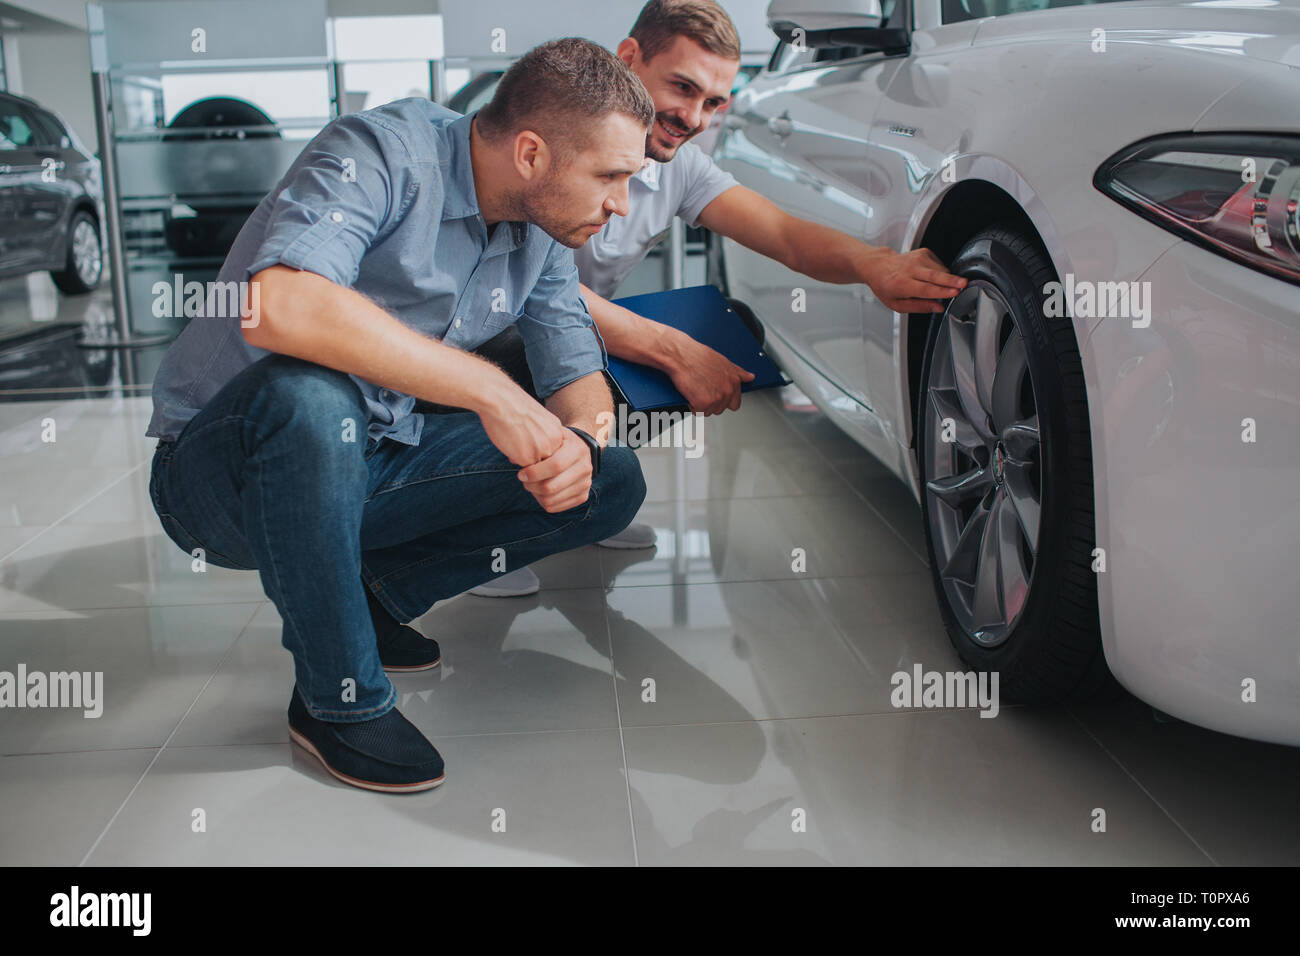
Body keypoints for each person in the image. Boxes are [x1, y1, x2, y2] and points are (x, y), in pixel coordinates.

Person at [144, 38, 655, 793]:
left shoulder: (540, 230)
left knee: (611, 480)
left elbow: (576, 370)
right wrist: (494, 393)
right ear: (531, 153)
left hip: (371, 462)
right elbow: (277, 306)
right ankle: (338, 702)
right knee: (310, 396)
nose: (620, 204)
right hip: (227, 479)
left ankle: (374, 598)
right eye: (610, 176)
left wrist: (578, 442)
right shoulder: (379, 152)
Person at [467, 0, 968, 597]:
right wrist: (670, 349)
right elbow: (529, 293)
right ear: (629, 59)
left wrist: (878, 266)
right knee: (531, 344)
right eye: (682, 87)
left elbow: (783, 235)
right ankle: (483, 540)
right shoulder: (555, 141)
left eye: (712, 102)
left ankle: (583, 495)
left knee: (732, 331)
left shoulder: (679, 167)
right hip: (493, 336)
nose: (693, 117)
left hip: (581, 340)